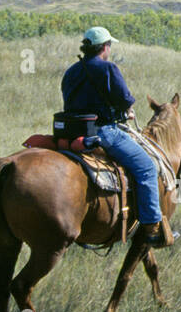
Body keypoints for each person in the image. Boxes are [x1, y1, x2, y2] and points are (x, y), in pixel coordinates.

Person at [63, 27, 173, 247]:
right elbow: (125, 100)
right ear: (105, 47)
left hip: (71, 131)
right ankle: (152, 227)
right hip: (104, 132)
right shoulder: (108, 69)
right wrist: (127, 112)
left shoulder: (71, 71)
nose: (110, 49)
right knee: (146, 168)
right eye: (109, 46)